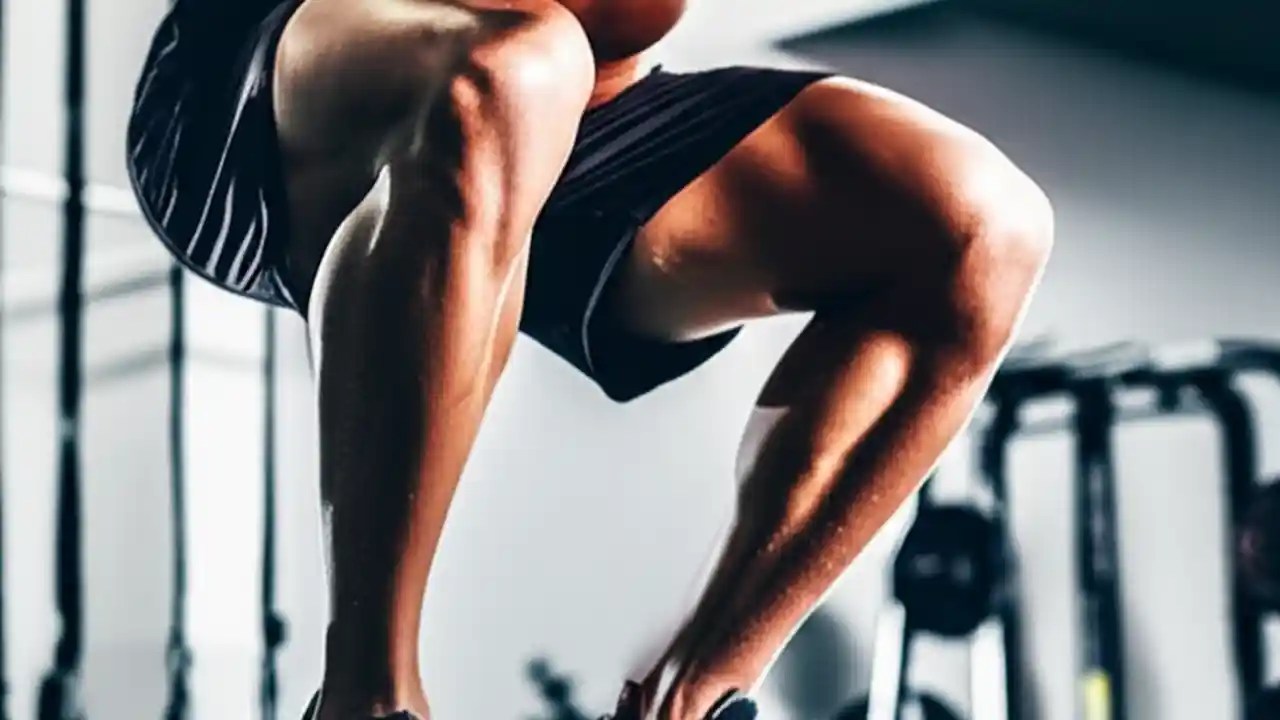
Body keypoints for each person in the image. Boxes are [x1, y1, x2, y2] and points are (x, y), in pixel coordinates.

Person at [125, 1, 1054, 718]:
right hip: (263, 94)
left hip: (581, 115)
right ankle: (368, 691)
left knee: (977, 228)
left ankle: (693, 694)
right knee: (514, 65)